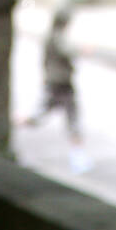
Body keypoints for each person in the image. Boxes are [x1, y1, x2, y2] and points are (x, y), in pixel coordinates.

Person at [22, 9, 90, 173]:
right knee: (71, 121)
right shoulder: (56, 37)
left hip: (55, 82)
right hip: (61, 84)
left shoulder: (51, 36)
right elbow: (68, 51)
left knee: (41, 116)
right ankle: (79, 160)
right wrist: (83, 50)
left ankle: (79, 160)